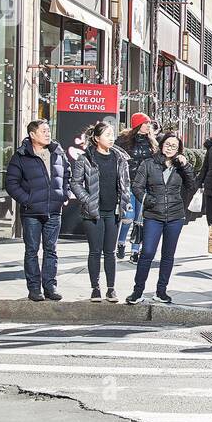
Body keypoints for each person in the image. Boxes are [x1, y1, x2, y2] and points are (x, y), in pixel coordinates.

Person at [127, 132, 197, 305]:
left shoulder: (180, 166)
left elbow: (192, 185)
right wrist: (147, 200)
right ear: (161, 145)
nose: (170, 148)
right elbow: (137, 187)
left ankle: (161, 291)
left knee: (168, 255)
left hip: (175, 216)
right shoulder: (149, 164)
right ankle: (137, 291)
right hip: (153, 215)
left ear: (179, 149)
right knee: (147, 253)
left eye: (174, 146)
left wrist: (186, 165)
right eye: (167, 144)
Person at [6, 119, 70, 302]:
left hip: (54, 210)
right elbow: (11, 183)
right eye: (44, 131)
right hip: (31, 212)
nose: (48, 134)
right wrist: (28, 200)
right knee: (32, 250)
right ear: (32, 135)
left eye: (49, 130)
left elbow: (67, 173)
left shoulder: (57, 152)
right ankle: (34, 289)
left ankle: (50, 287)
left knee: (51, 250)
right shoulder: (21, 156)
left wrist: (64, 195)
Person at [69, 121, 131, 303]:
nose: (111, 138)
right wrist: (87, 200)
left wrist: (125, 203)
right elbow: (75, 183)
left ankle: (111, 289)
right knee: (95, 251)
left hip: (113, 212)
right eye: (107, 135)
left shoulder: (120, 158)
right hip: (93, 212)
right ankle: (95, 288)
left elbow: (125, 184)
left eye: (112, 135)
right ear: (96, 139)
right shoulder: (86, 158)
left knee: (110, 252)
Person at [115, 113, 157, 263]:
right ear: (137, 124)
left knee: (140, 220)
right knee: (128, 217)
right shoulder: (123, 141)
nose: (148, 126)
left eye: (149, 123)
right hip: (128, 184)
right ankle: (120, 242)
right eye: (145, 123)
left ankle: (135, 250)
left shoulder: (152, 142)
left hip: (144, 185)